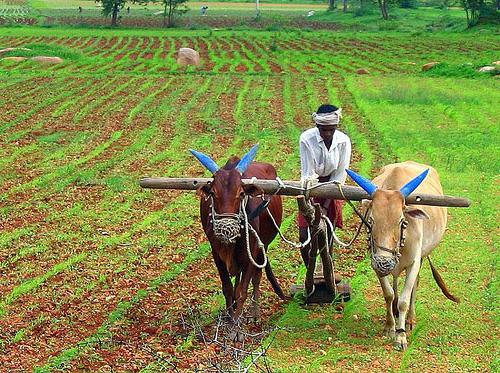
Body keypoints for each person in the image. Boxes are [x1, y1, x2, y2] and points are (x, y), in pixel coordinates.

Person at [297, 104, 351, 266]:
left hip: (333, 187)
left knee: (327, 232)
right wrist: (311, 208)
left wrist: (326, 205)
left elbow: (340, 174)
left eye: (331, 130)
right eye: (323, 130)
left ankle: (327, 267)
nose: (327, 134)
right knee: (304, 236)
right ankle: (310, 270)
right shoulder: (306, 139)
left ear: (336, 127)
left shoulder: (343, 141)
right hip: (310, 186)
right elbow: (308, 174)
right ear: (317, 126)